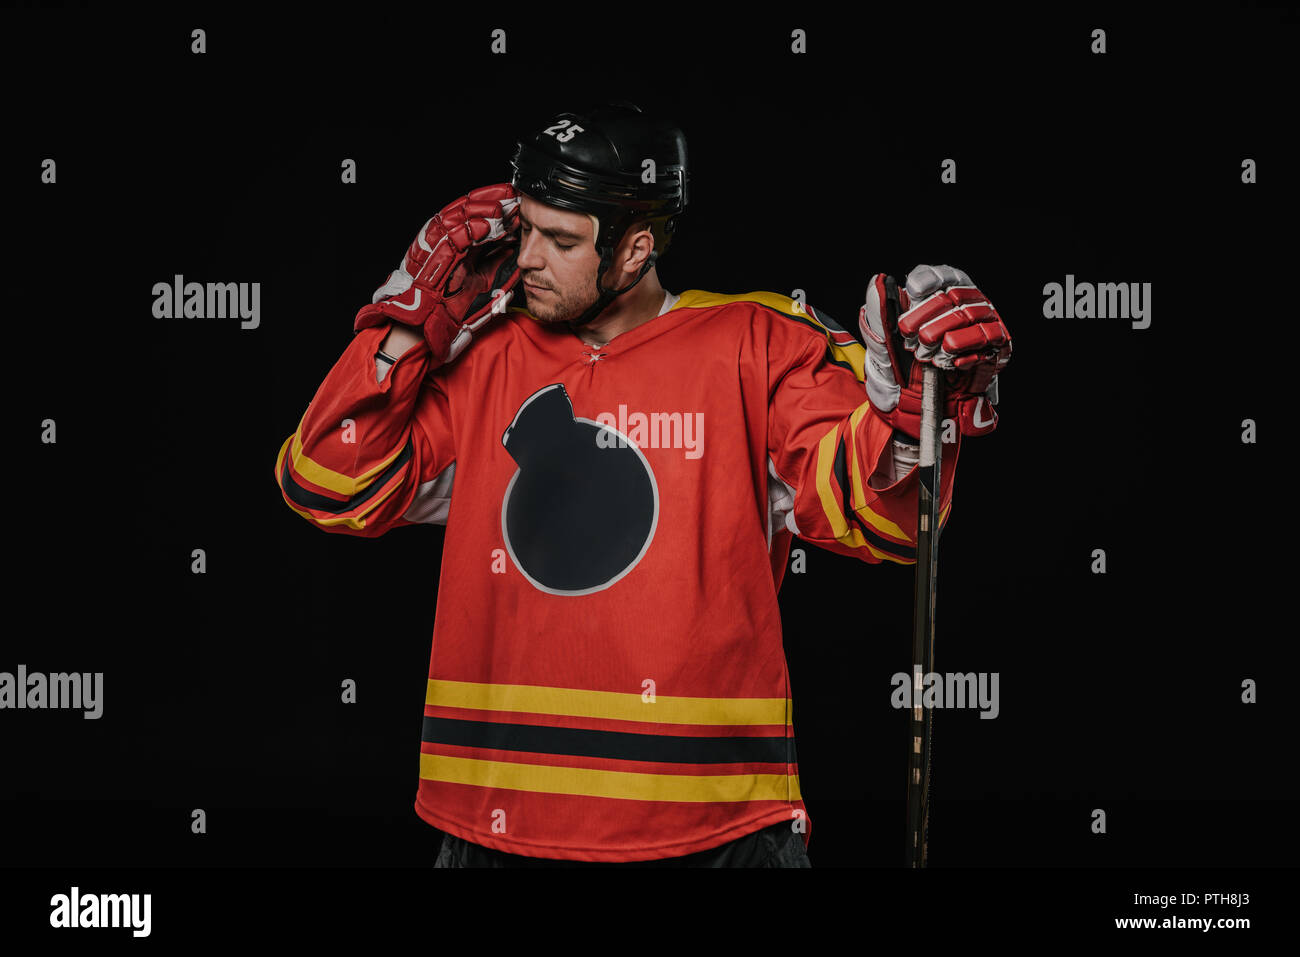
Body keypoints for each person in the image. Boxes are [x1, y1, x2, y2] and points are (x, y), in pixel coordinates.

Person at [273, 102, 1011, 867]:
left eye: (560, 240)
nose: (526, 258)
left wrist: (917, 414)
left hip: (714, 828)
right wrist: (409, 318)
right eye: (524, 228)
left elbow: (878, 519)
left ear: (636, 249)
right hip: (494, 823)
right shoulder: (484, 355)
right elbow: (327, 483)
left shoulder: (754, 344)